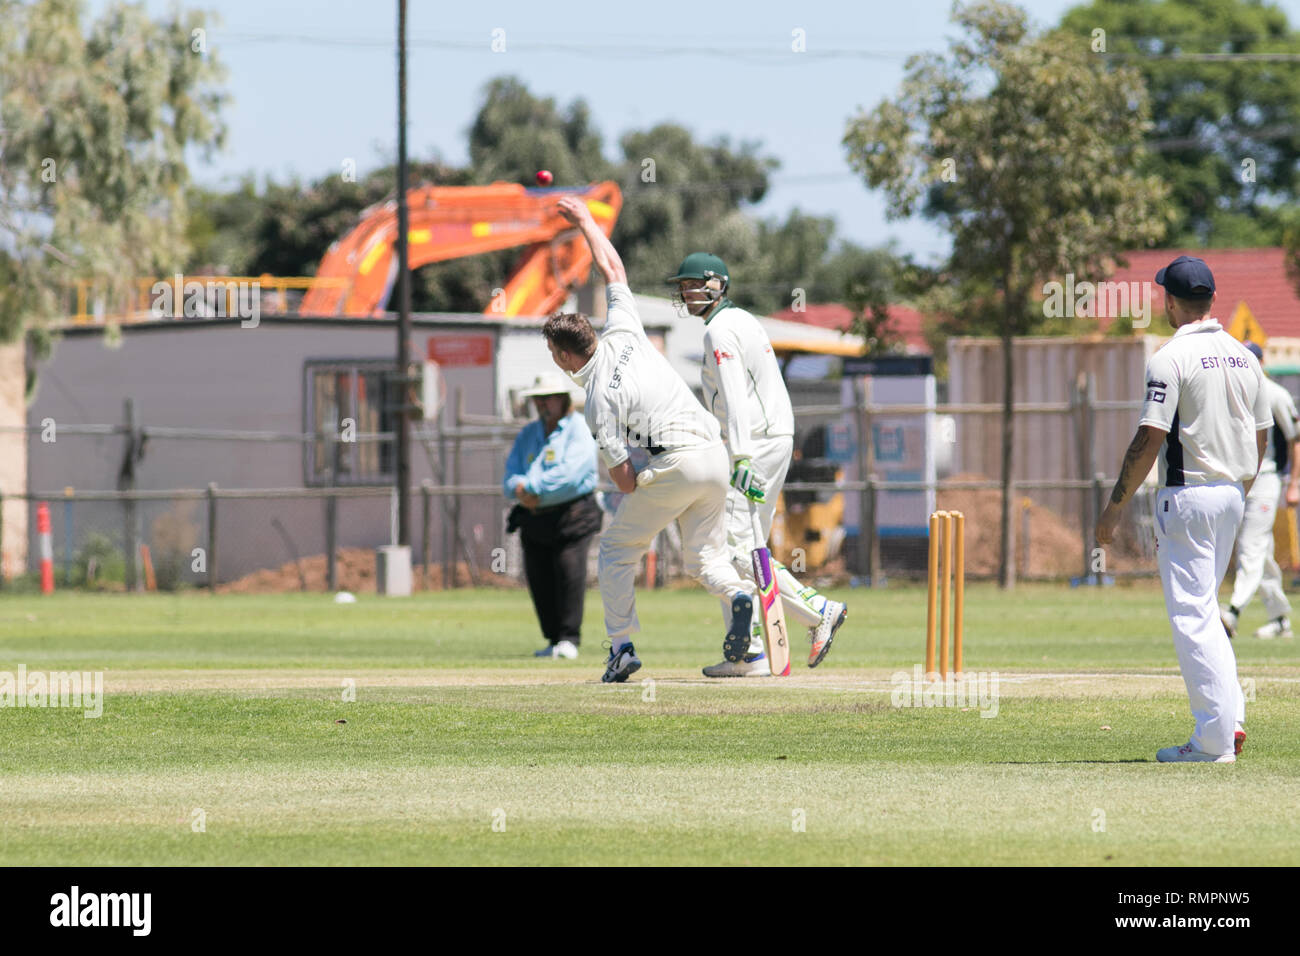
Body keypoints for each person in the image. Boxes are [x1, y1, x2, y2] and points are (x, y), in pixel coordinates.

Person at [543, 195, 753, 683]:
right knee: (707, 558)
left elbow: (625, 484)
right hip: (714, 456)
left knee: (616, 551)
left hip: (676, 464)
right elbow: (611, 265)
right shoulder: (624, 328)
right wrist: (585, 221)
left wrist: (638, 468)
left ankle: (621, 649)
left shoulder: (596, 400)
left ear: (564, 356)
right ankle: (738, 596)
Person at [1096, 255, 1271, 763]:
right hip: (1232, 495)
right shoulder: (1244, 356)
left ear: (1169, 301)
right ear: (1213, 299)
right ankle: (1230, 720)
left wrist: (1113, 509)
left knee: (1192, 617)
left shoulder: (1170, 357)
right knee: (1207, 614)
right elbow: (1259, 436)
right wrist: (1240, 487)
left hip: (1189, 497)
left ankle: (1213, 742)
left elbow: (1150, 437)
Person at [667, 252, 847, 677]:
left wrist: (742, 455)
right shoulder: (743, 320)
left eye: (691, 284)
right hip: (771, 437)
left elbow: (733, 396)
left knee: (732, 548)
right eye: (682, 286)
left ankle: (819, 609)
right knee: (744, 549)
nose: (684, 292)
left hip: (757, 444)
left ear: (715, 285)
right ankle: (747, 655)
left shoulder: (720, 331)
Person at [503, 373, 602, 660]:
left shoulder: (578, 429)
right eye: (538, 399)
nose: (542, 404)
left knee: (569, 572)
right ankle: (553, 638)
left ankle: (570, 638)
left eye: (548, 398)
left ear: (562, 399)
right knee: (539, 576)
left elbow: (573, 473)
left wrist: (532, 488)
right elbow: (510, 474)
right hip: (534, 517)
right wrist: (519, 490)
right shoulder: (528, 434)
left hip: (573, 514)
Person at [1221, 340, 1300, 641]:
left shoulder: (1275, 394)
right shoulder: (1232, 394)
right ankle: (1280, 619)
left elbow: (1295, 439)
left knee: (1250, 547)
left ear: (1261, 362)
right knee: (1261, 552)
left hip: (1266, 480)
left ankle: (1232, 612)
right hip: (1239, 479)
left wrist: (1293, 484)